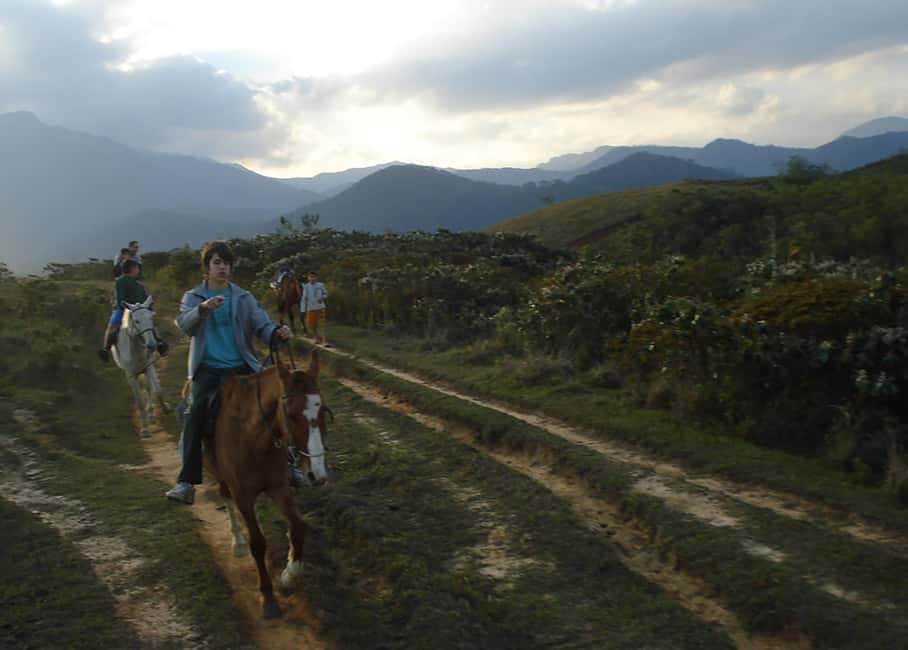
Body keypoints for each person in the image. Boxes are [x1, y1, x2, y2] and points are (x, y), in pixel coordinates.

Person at [166, 240, 294, 505]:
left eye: (226, 263)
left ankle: (289, 464)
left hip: (243, 367)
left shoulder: (243, 297)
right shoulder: (193, 297)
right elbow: (183, 326)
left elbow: (262, 326)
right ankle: (186, 482)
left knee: (280, 405)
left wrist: (277, 333)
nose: (222, 268)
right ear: (207, 267)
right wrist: (202, 310)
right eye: (217, 263)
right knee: (194, 414)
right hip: (209, 369)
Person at [98, 259, 166, 362]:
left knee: (149, 323)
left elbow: (143, 297)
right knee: (113, 325)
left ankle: (160, 343)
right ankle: (106, 349)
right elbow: (122, 299)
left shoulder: (138, 284)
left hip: (136, 309)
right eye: (137, 268)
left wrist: (147, 306)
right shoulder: (122, 282)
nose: (138, 270)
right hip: (125, 309)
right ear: (132, 268)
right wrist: (134, 307)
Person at [301, 271, 328, 345]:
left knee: (321, 324)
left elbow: (325, 294)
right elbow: (304, 298)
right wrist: (303, 309)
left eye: (313, 277)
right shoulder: (306, 287)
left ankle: (324, 341)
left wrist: (322, 298)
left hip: (320, 307)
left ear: (316, 277)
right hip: (311, 308)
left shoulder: (321, 285)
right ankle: (316, 338)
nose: (312, 278)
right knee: (312, 325)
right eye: (310, 277)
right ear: (308, 278)